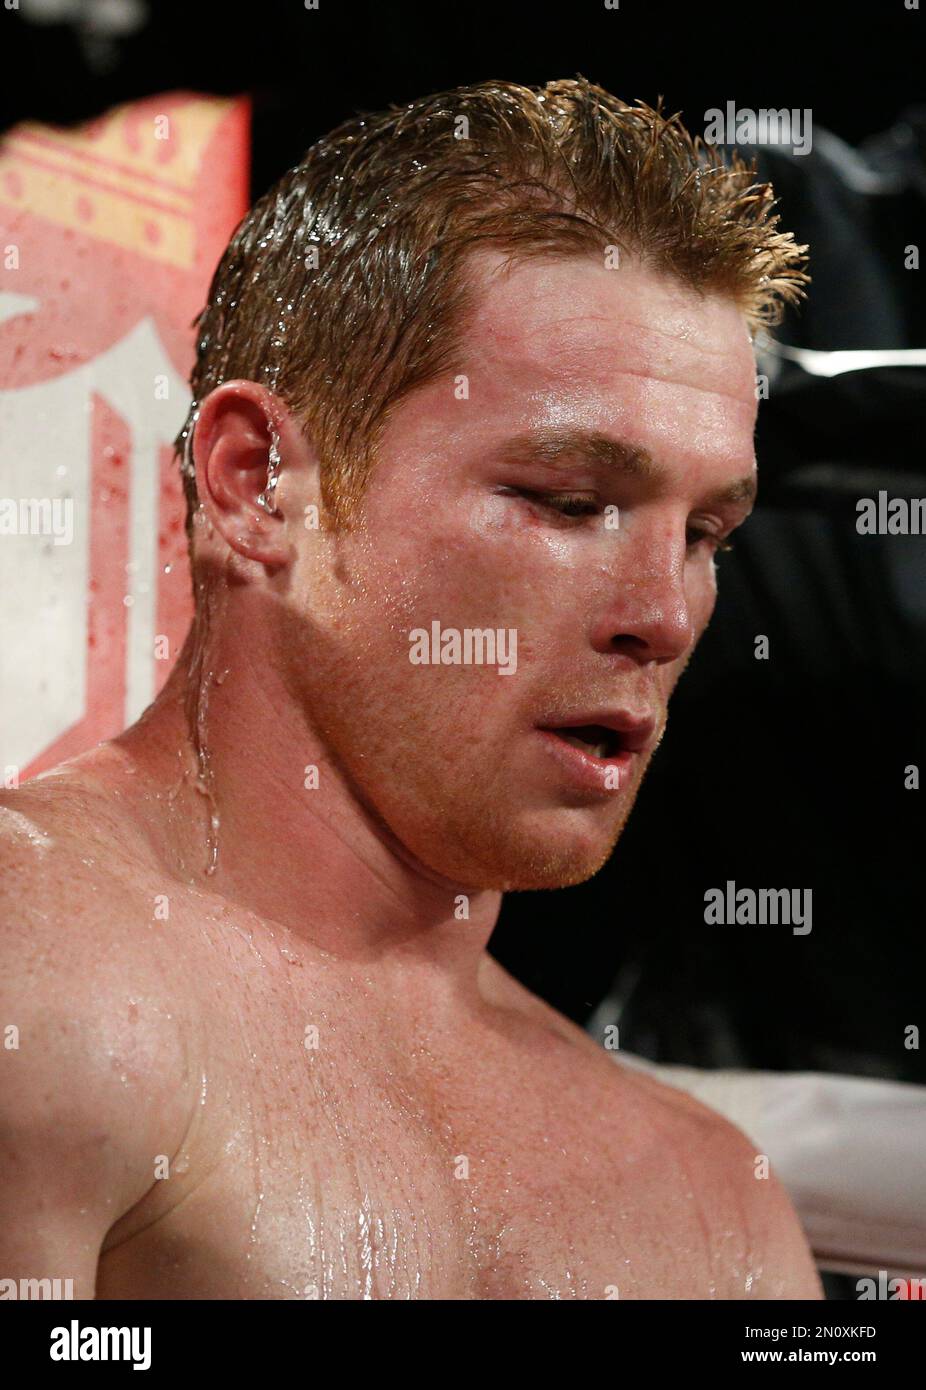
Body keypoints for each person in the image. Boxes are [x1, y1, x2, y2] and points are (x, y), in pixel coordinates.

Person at [0, 78, 821, 1299]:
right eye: (567, 503)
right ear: (253, 483)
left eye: (704, 533)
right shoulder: (45, 979)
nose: (658, 615)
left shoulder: (709, 1200)